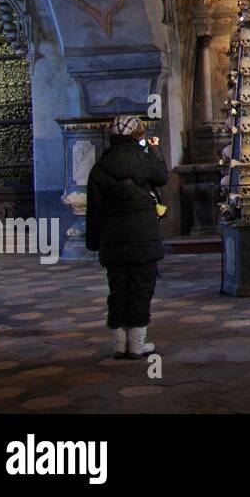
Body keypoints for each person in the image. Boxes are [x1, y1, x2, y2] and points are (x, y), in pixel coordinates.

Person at [85, 116, 168, 359]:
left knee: (118, 289)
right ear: (138, 135)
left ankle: (119, 345)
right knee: (141, 289)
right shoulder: (143, 161)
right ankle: (137, 344)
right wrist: (154, 149)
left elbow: (94, 210)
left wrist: (93, 241)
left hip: (113, 240)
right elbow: (162, 177)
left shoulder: (99, 168)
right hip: (143, 236)